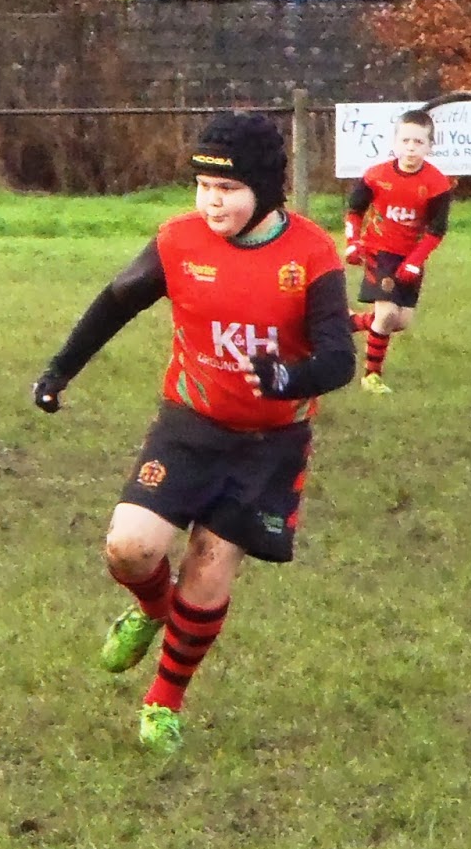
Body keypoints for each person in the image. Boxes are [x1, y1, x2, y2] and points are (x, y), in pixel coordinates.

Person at [32, 113, 354, 754]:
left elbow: (338, 359)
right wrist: (60, 369)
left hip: (270, 445)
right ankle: (152, 608)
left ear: (266, 190)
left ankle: (163, 702)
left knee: (208, 569)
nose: (213, 202)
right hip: (189, 426)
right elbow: (117, 300)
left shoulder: (312, 254)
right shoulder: (178, 242)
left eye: (229, 190)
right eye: (204, 187)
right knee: (129, 548)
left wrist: (289, 377)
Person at [343, 110, 452, 394]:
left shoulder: (437, 183)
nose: (411, 148)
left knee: (399, 321)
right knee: (388, 312)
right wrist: (353, 243)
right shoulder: (376, 176)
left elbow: (436, 230)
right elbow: (354, 212)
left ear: (430, 146)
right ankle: (371, 376)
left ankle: (351, 322)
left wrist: (415, 262)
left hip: (410, 256)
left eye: (418, 142)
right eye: (405, 140)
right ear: (394, 142)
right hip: (379, 251)